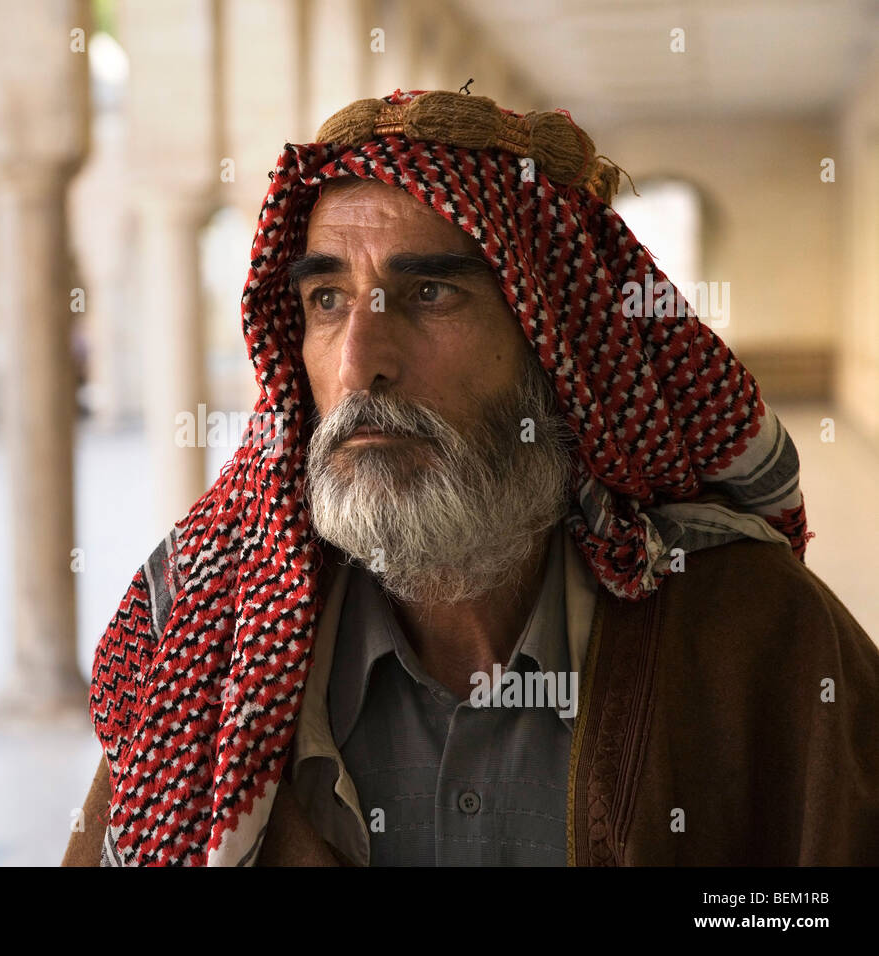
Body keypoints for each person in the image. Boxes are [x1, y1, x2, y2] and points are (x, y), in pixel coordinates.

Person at [63, 89, 879, 867]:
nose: (359, 365)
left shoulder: (755, 631)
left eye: (428, 293)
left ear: (553, 338)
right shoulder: (206, 639)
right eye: (326, 299)